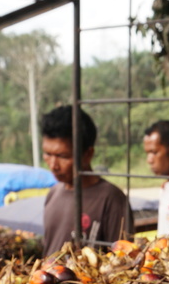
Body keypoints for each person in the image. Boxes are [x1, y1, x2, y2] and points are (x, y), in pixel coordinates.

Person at [40, 105, 132, 256]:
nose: (53, 165)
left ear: (87, 154)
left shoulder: (111, 199)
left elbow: (125, 261)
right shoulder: (53, 194)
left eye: (63, 156)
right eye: (48, 154)